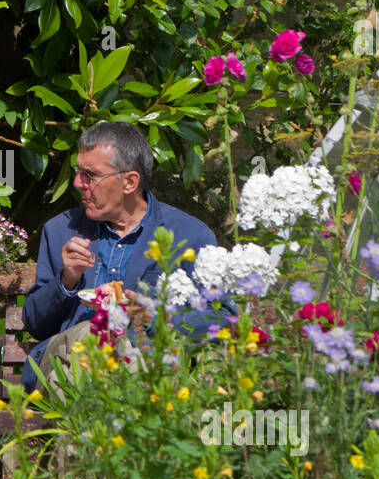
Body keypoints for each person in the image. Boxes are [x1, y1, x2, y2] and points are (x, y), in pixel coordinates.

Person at [21, 121, 229, 390]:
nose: (77, 183)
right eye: (77, 172)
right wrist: (66, 281)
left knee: (124, 359)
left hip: (145, 367)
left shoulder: (190, 236)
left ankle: (95, 425)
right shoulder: (61, 230)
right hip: (63, 364)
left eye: (90, 175)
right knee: (92, 335)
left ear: (130, 181)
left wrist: (155, 319)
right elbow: (36, 325)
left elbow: (220, 319)